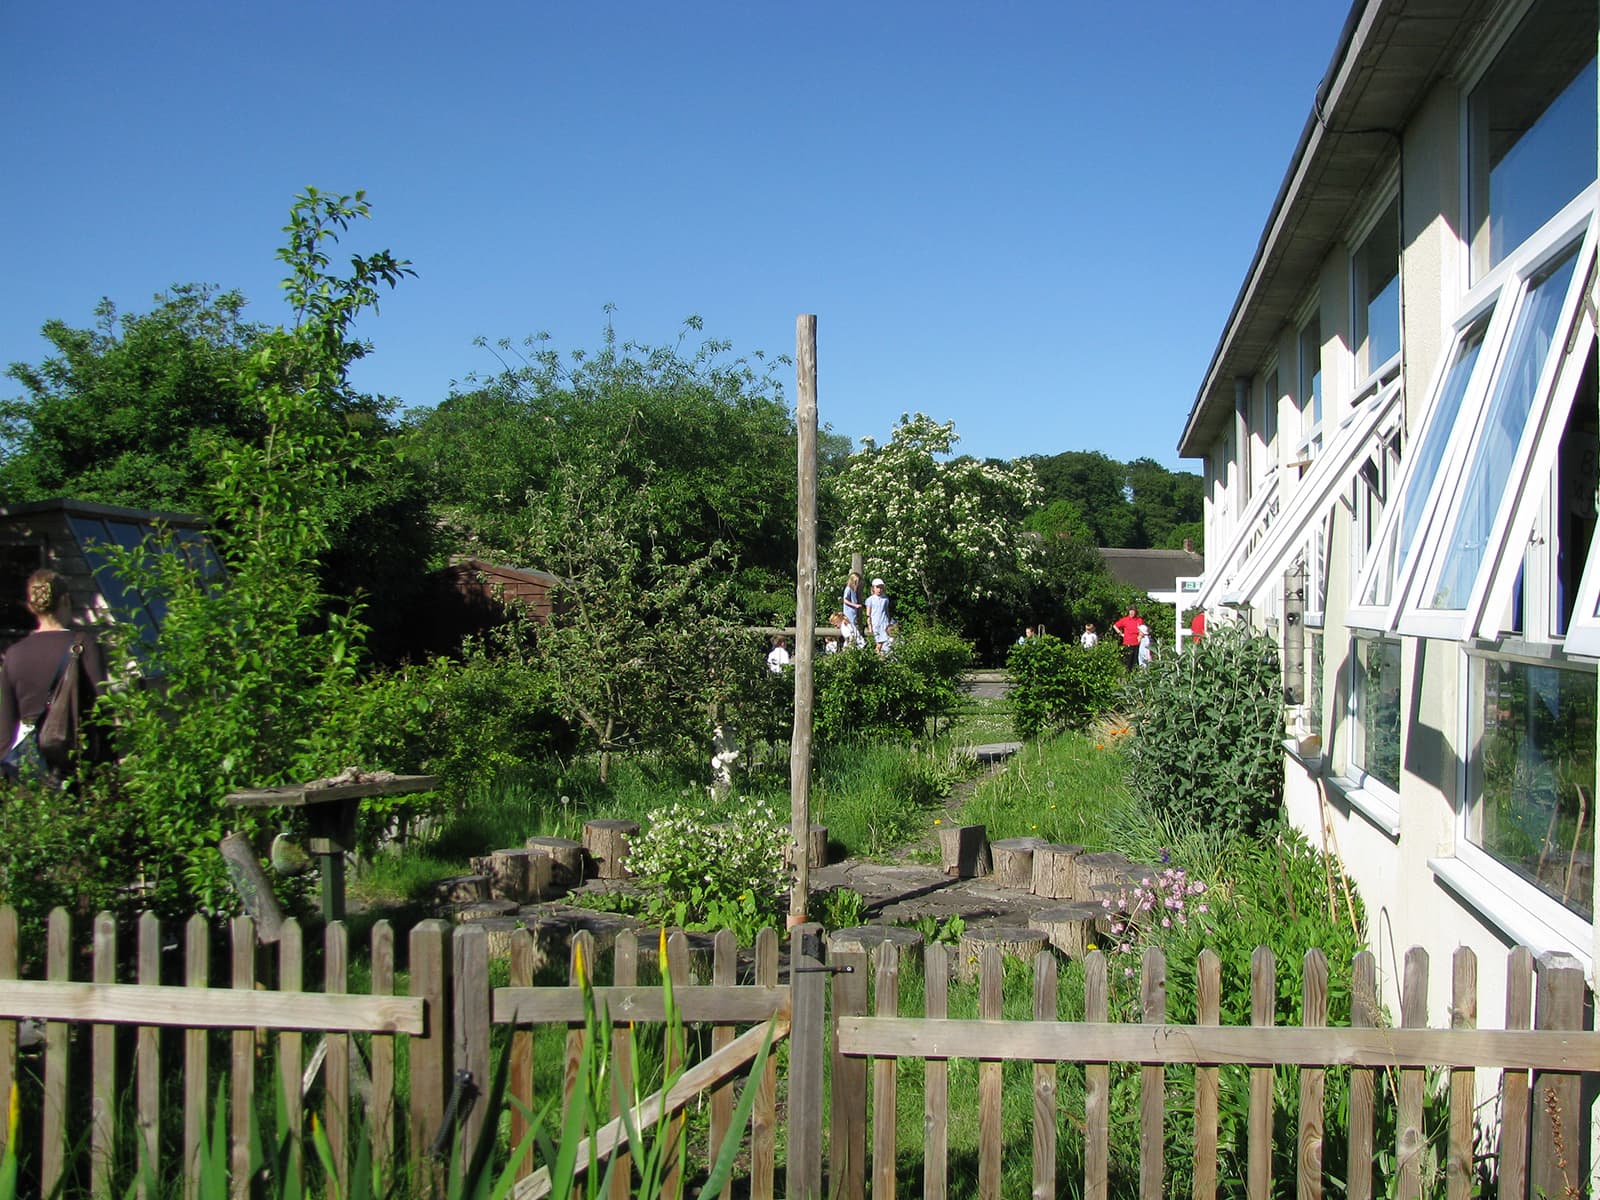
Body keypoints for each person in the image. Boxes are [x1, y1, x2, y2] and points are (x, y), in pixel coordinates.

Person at [0, 569, 108, 782]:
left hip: (30, 772)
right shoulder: (84, 646)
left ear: (31, 606)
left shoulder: (14, 655)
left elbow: (4, 728)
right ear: (65, 600)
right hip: (77, 767)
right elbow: (102, 710)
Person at [865, 577, 892, 654]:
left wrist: (889, 623)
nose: (879, 589)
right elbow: (868, 614)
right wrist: (870, 626)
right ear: (873, 588)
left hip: (885, 623)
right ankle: (878, 658)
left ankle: (883, 657)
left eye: (881, 587)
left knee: (886, 643)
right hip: (876, 624)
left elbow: (886, 612)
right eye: (877, 587)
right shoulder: (870, 599)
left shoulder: (885, 599)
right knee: (879, 644)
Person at [1112, 605, 1142, 670]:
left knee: (1136, 661)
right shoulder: (1125, 620)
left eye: (1133, 611)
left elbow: (1142, 630)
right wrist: (1121, 634)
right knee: (1128, 661)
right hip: (1128, 643)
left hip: (1137, 643)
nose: (1131, 613)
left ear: (1135, 612)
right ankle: (1127, 675)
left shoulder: (1139, 620)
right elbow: (1115, 626)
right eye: (1130, 611)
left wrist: (1140, 636)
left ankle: (1135, 675)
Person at [841, 572, 865, 640]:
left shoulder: (853, 590)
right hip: (849, 613)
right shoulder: (848, 589)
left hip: (853, 613)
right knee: (851, 629)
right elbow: (845, 600)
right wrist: (855, 605)